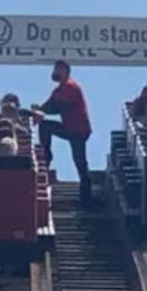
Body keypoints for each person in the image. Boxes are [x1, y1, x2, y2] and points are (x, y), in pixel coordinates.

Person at [31, 60, 93, 204]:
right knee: (45, 126)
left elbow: (58, 106)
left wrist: (41, 110)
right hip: (69, 128)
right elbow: (49, 105)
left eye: (58, 69)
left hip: (79, 129)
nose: (55, 72)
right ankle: (46, 155)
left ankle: (86, 197)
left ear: (65, 71)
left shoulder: (71, 87)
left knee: (80, 161)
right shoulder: (59, 90)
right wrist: (38, 111)